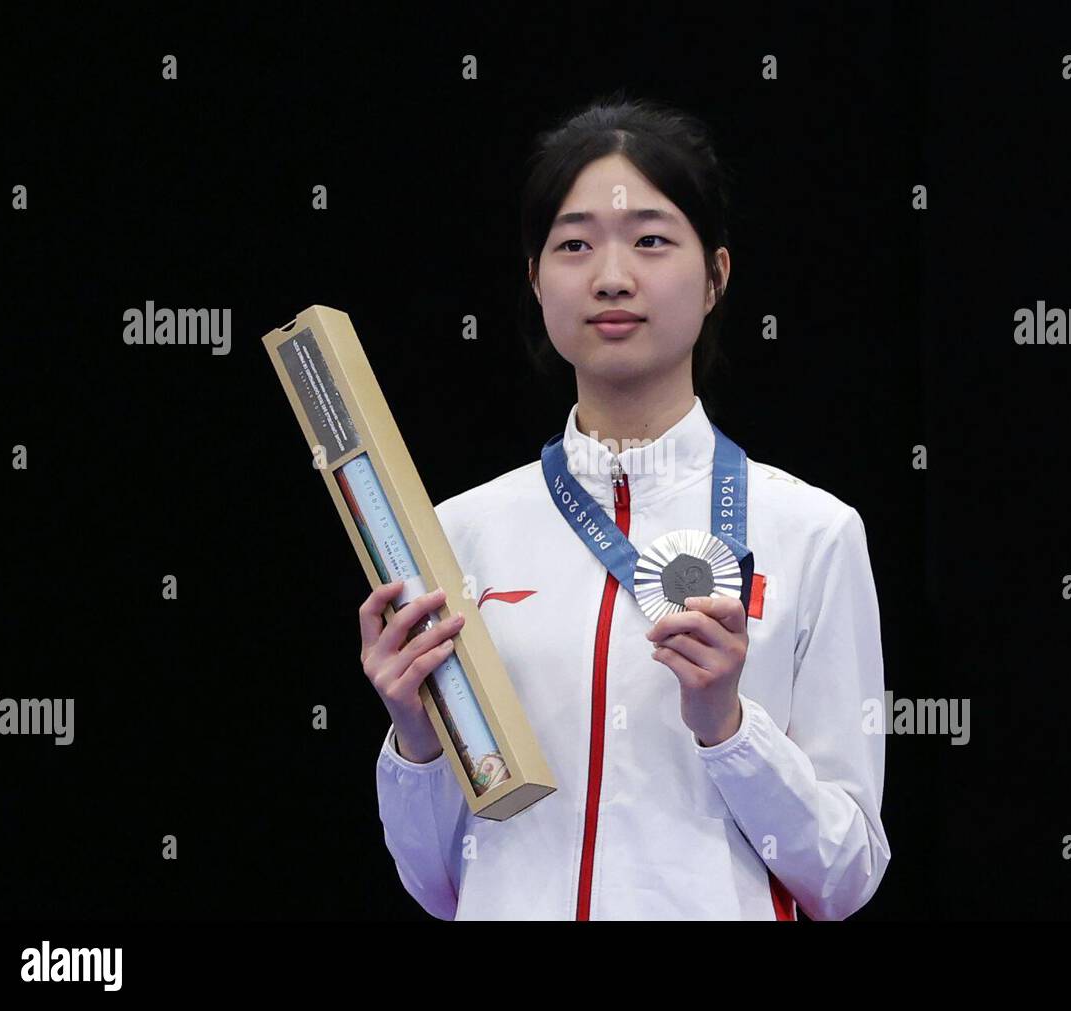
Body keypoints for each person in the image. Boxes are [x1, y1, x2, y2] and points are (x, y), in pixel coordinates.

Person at [360, 92, 891, 920]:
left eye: (651, 240)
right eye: (573, 245)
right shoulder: (455, 534)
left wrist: (729, 727)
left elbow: (846, 874)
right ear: (535, 278)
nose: (612, 277)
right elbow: (436, 885)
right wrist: (417, 737)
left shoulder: (814, 533)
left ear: (716, 274)